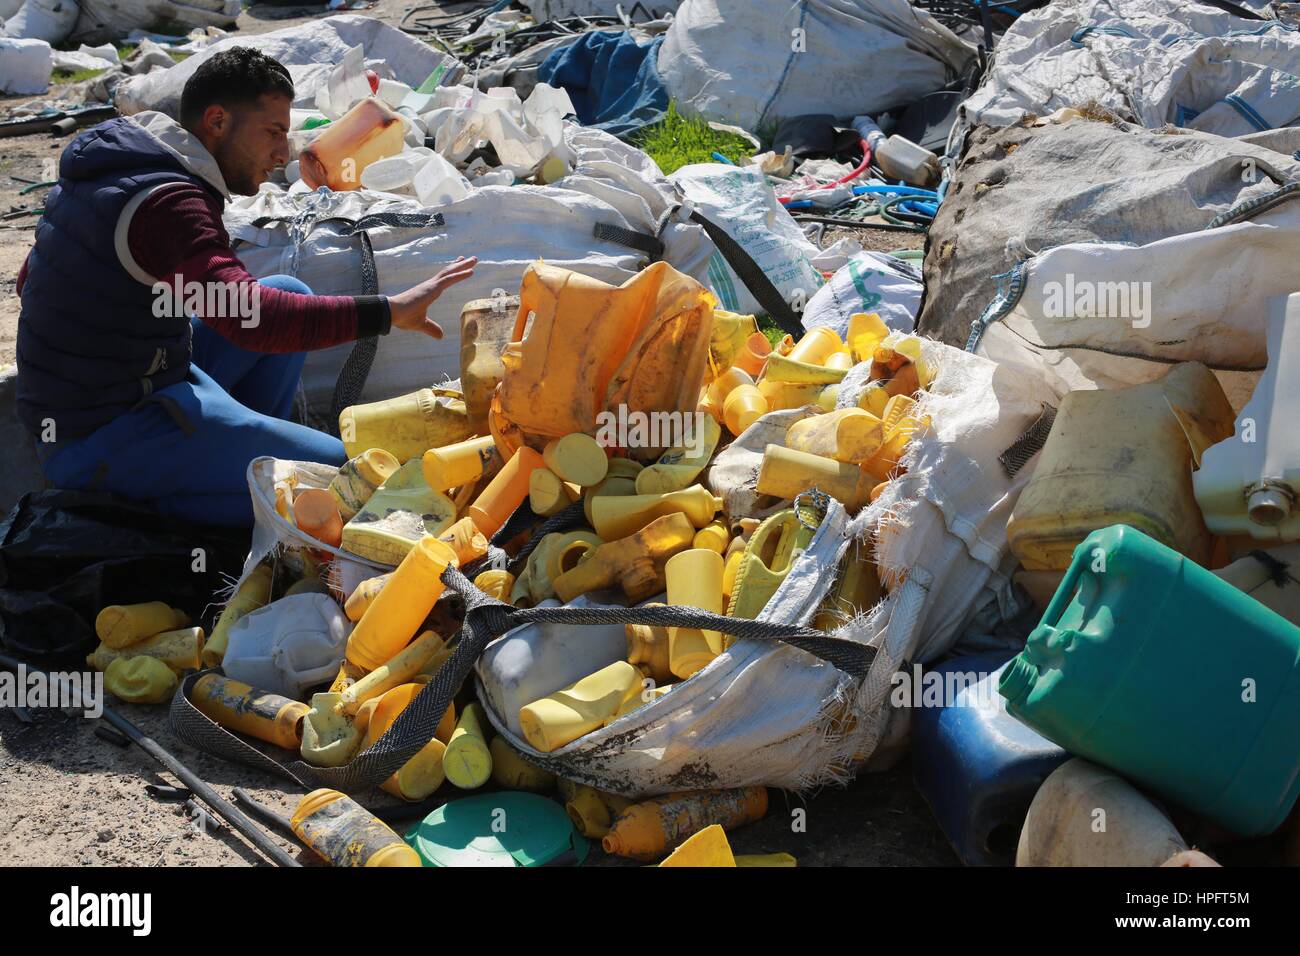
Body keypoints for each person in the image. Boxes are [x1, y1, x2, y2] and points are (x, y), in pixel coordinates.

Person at [14, 47, 476, 526]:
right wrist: (389, 311)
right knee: (346, 479)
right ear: (216, 121)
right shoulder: (168, 203)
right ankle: (186, 498)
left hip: (136, 381)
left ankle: (238, 454)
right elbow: (252, 317)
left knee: (289, 289)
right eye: (273, 133)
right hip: (104, 433)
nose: (283, 155)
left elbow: (34, 280)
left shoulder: (122, 164)